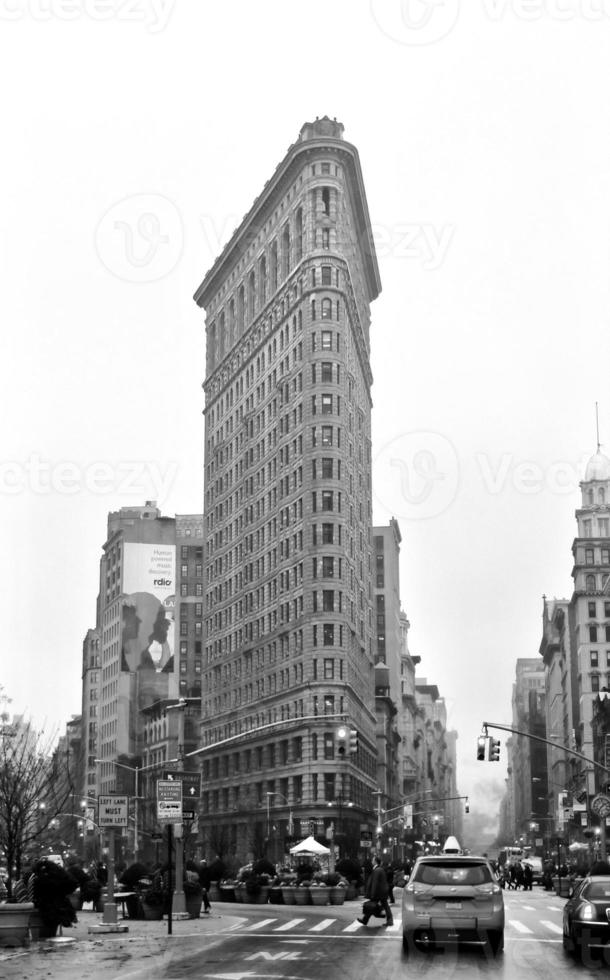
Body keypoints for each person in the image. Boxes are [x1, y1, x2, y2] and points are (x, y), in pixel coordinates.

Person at [357, 854, 393, 926]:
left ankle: (389, 920)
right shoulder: (379, 869)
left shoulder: (377, 870)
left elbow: (375, 883)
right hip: (381, 892)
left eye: (373, 860)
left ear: (376, 862)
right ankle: (366, 920)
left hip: (379, 893)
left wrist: (372, 894)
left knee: (374, 906)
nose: (371, 861)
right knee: (374, 906)